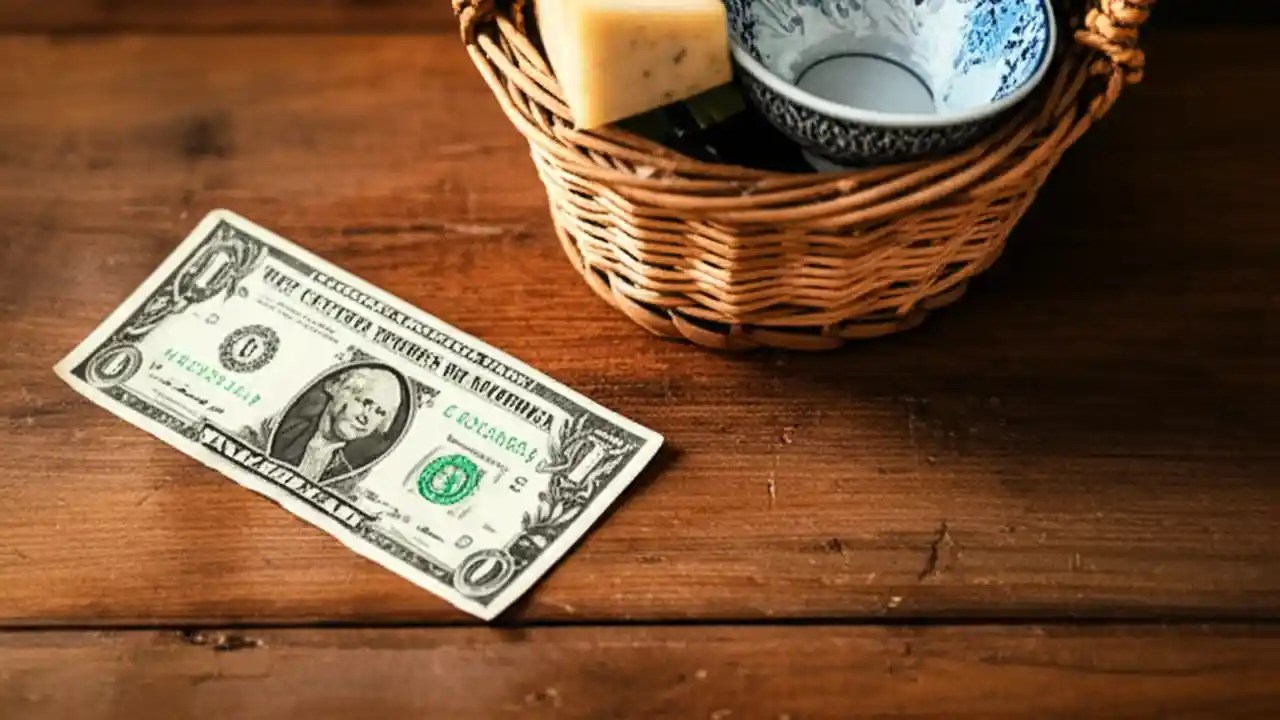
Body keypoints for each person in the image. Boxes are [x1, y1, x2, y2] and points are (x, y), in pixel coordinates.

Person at [268, 366, 404, 482]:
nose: (365, 418)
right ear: (342, 391)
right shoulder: (280, 428)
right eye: (365, 402)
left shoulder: (349, 476)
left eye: (379, 412)